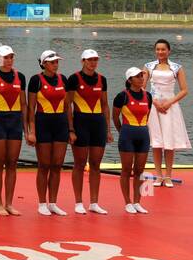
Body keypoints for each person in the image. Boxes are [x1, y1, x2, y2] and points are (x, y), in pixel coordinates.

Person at [66, 49, 110, 214]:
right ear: (83, 61)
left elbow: (105, 105)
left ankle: (94, 202)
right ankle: (78, 202)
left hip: (98, 123)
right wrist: (70, 129)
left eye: (95, 60)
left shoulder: (102, 79)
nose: (93, 63)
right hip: (80, 122)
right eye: (90, 60)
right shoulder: (74, 79)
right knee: (79, 164)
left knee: (96, 164)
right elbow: (68, 105)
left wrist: (108, 129)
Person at [0, 45, 26, 216]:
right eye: (5, 57)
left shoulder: (20, 77)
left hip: (15, 123)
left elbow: (23, 104)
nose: (9, 60)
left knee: (12, 163)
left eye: (11, 57)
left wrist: (28, 130)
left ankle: (9, 203)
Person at [26, 50, 69, 216]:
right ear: (44, 64)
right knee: (44, 165)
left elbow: (67, 106)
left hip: (60, 124)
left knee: (57, 165)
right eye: (52, 62)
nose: (55, 65)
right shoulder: (36, 80)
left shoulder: (63, 79)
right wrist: (31, 131)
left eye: (57, 62)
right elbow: (31, 108)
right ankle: (42, 203)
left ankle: (53, 203)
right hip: (42, 123)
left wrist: (71, 129)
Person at [145, 39, 190, 187]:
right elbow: (142, 88)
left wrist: (169, 102)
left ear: (168, 51)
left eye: (163, 49)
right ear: (155, 51)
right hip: (154, 106)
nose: (160, 52)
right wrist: (155, 102)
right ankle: (158, 176)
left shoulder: (176, 68)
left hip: (170, 107)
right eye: (157, 49)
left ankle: (168, 176)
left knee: (169, 142)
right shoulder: (148, 66)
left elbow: (184, 90)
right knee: (156, 142)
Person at [114, 67, 154, 214]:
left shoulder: (148, 96)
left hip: (143, 135)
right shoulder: (122, 96)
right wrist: (123, 132)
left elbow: (147, 116)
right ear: (130, 80)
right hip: (127, 135)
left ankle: (137, 202)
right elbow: (115, 117)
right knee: (126, 170)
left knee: (140, 171)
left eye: (142, 76)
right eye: (137, 76)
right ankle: (127, 202)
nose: (141, 78)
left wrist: (140, 129)